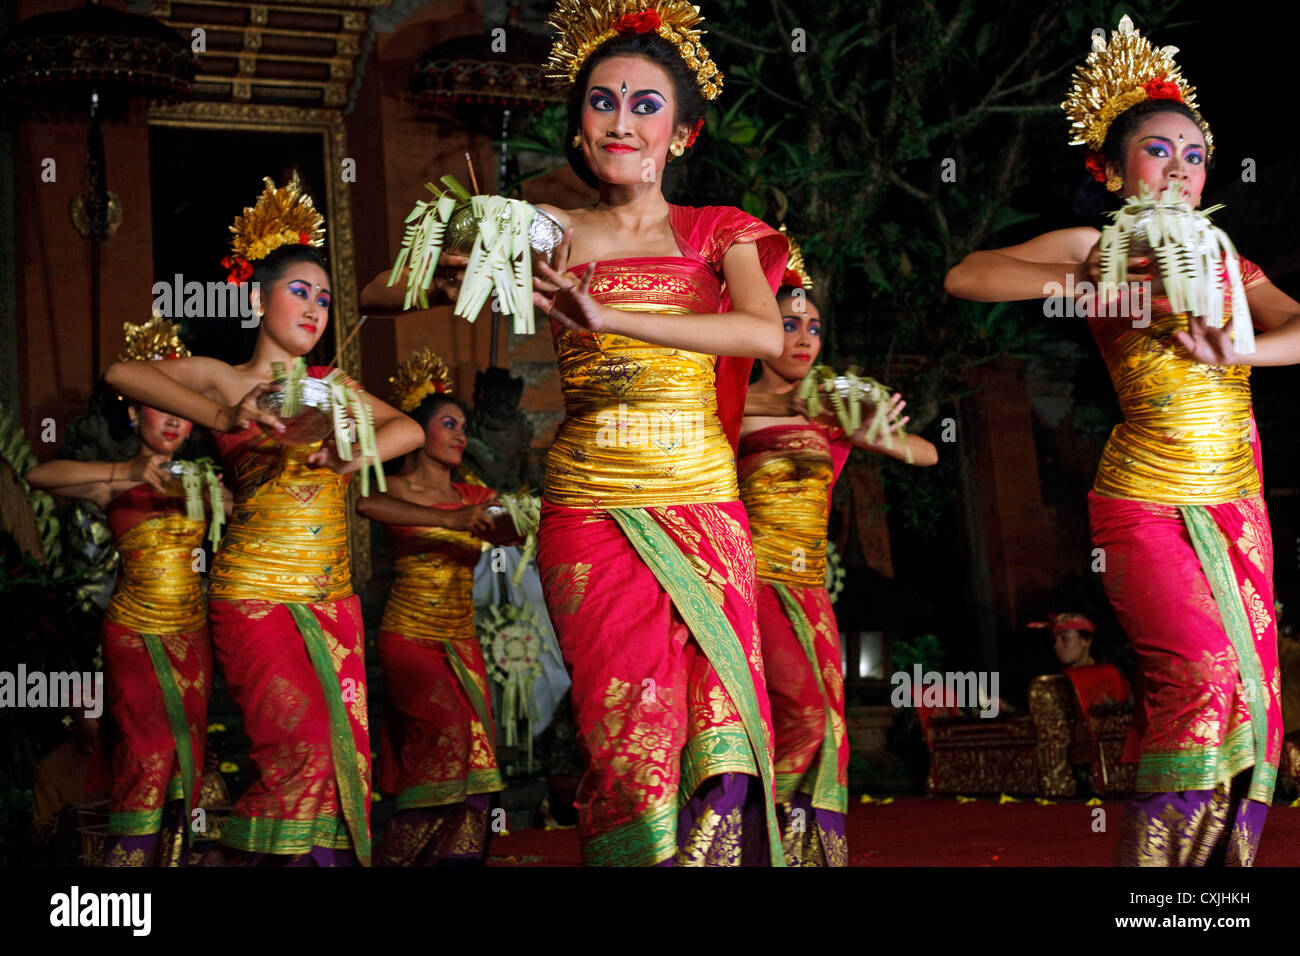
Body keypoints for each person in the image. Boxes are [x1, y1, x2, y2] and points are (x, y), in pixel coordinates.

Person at [945, 17, 1288, 865]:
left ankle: (1215, 885)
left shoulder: (1226, 264)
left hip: (1238, 499)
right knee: (1198, 678)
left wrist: (1242, 345)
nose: (1178, 168)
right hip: (1145, 502)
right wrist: (1105, 279)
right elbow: (969, 274)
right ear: (1111, 168)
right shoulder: (1098, 245)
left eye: (1194, 154)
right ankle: (1162, 884)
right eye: (1157, 151)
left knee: (1254, 698)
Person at [104, 175, 424, 865]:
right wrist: (227, 415)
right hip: (255, 595)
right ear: (256, 299)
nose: (315, 308)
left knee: (345, 767)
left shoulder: (334, 386)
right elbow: (123, 372)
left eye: (325, 298)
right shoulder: (228, 378)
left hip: (333, 600)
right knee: (299, 751)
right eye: (298, 292)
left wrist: (345, 447)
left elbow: (407, 432)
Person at [741, 264, 937, 865]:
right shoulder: (728, 407)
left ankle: (804, 855)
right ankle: (747, 844)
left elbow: (924, 453)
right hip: (752, 588)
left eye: (814, 328)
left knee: (827, 725)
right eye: (788, 324)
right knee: (799, 713)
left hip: (809, 594)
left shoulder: (831, 413)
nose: (804, 339)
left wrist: (875, 427)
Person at [28, 317, 224, 866]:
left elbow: (247, 509)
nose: (173, 420)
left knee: (188, 761)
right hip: (134, 635)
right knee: (148, 751)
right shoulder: (115, 476)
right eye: (160, 405)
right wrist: (127, 471)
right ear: (134, 410)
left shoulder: (202, 481)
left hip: (193, 638)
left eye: (185, 411)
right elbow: (42, 478)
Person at [357, 349, 518, 865]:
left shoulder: (477, 493)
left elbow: (512, 531)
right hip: (409, 638)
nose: (460, 434)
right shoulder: (389, 489)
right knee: (445, 736)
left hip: (461, 640)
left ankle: (455, 860)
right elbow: (365, 505)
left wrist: (522, 521)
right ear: (417, 431)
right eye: (448, 423)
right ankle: (402, 858)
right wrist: (450, 521)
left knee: (478, 754)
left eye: (464, 426)